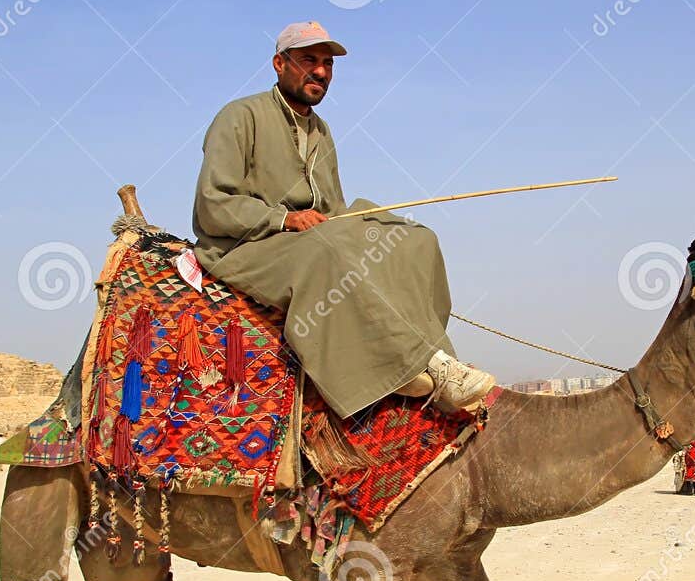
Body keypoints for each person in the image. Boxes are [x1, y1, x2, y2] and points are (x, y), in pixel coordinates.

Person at [192, 21, 493, 417]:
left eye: (327, 64)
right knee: (327, 249)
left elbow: (330, 207)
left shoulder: (321, 131)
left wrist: (354, 224)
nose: (320, 71)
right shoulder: (240, 116)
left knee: (415, 239)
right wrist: (284, 219)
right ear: (279, 64)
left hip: (308, 237)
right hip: (245, 245)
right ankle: (417, 366)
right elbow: (213, 204)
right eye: (308, 60)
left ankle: (424, 356)